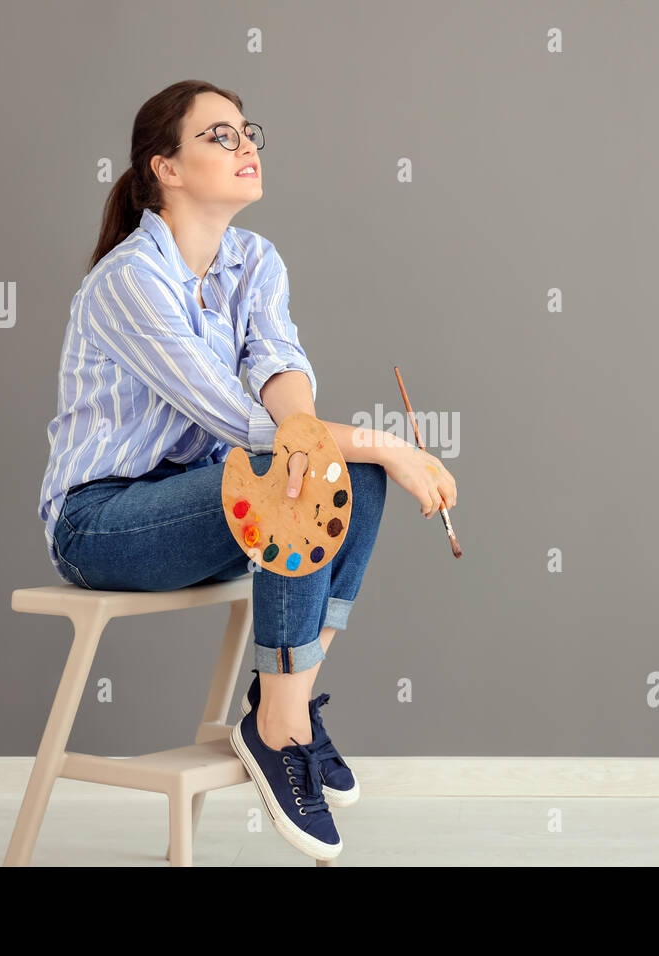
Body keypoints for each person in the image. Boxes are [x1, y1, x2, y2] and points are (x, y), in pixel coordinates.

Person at [36, 80, 457, 860]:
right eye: (220, 137)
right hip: (101, 522)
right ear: (165, 166)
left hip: (211, 501)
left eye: (248, 132)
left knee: (341, 473)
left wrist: (326, 437)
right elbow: (229, 416)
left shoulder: (255, 259)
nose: (247, 148)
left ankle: (281, 700)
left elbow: (279, 367)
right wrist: (393, 445)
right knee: (318, 465)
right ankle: (276, 730)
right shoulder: (129, 280)